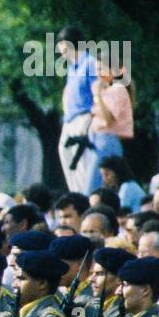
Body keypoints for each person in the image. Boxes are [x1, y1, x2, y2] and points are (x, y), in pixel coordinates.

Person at [56, 26, 100, 194]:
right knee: (67, 158)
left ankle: (84, 196)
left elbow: (98, 92)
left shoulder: (89, 63)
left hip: (84, 118)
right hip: (70, 120)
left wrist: (91, 119)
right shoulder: (72, 67)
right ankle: (76, 194)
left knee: (81, 164)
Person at [87, 64, 134, 192]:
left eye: (101, 69)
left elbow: (108, 120)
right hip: (97, 140)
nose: (98, 74)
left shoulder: (117, 90)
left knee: (94, 187)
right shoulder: (108, 90)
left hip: (107, 141)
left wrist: (97, 95)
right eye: (96, 70)